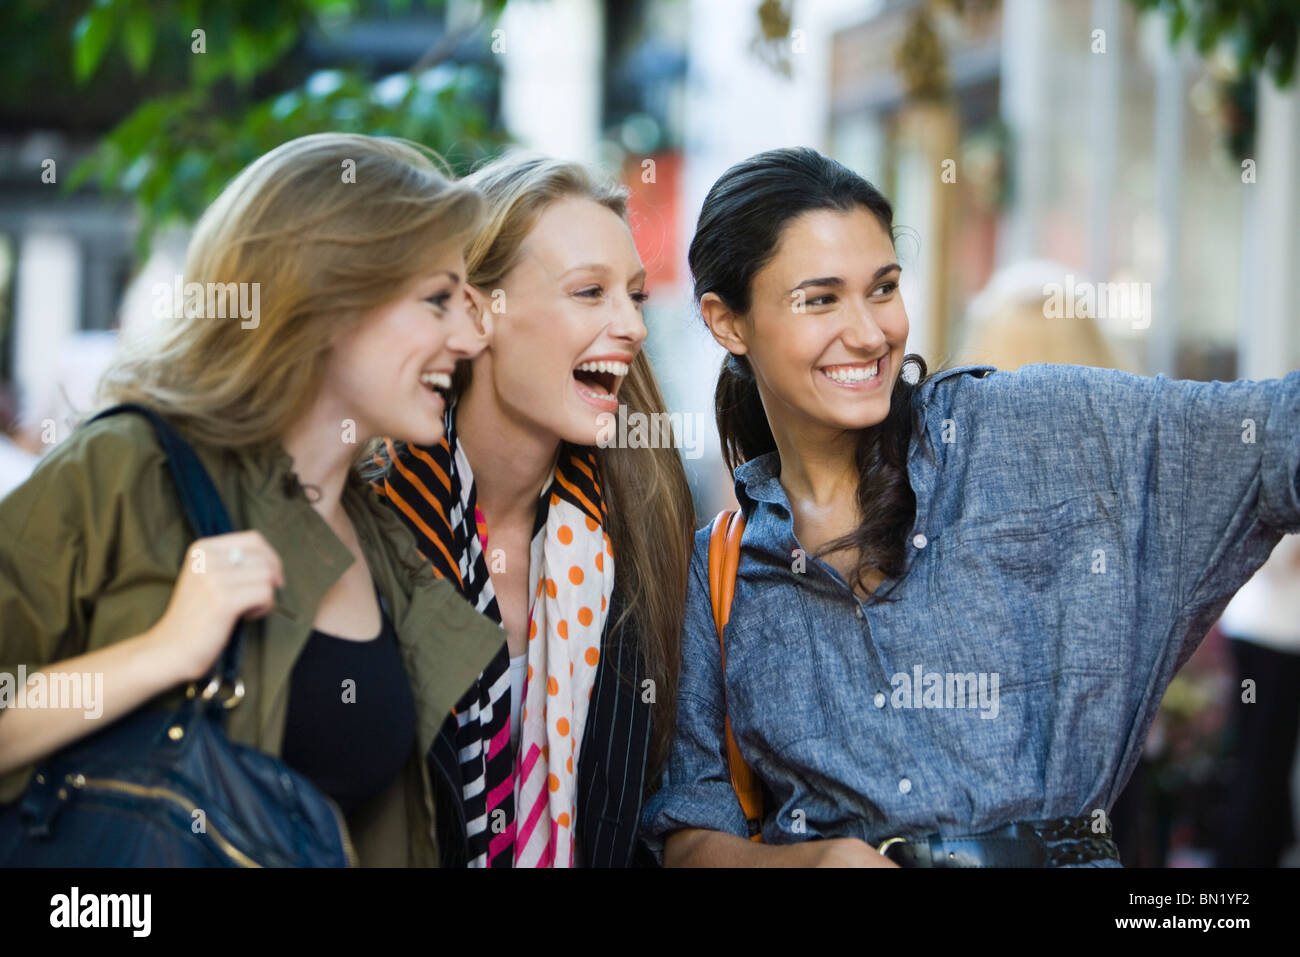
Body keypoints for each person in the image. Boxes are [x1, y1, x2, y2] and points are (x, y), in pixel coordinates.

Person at [640, 146, 1300, 867]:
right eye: (820, 298)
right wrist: (820, 863)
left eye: (884, 288)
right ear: (727, 322)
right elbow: (689, 836)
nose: (869, 332)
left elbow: (1274, 436)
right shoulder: (717, 572)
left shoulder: (1030, 426)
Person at [0, 133, 507, 866]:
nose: (468, 335)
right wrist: (165, 650)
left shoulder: (385, 537)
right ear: (327, 298)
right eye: (436, 300)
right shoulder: (128, 467)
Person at [373, 150, 694, 867]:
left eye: (635, 296)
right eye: (590, 292)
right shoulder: (370, 522)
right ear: (478, 311)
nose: (633, 326)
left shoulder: (639, 523)